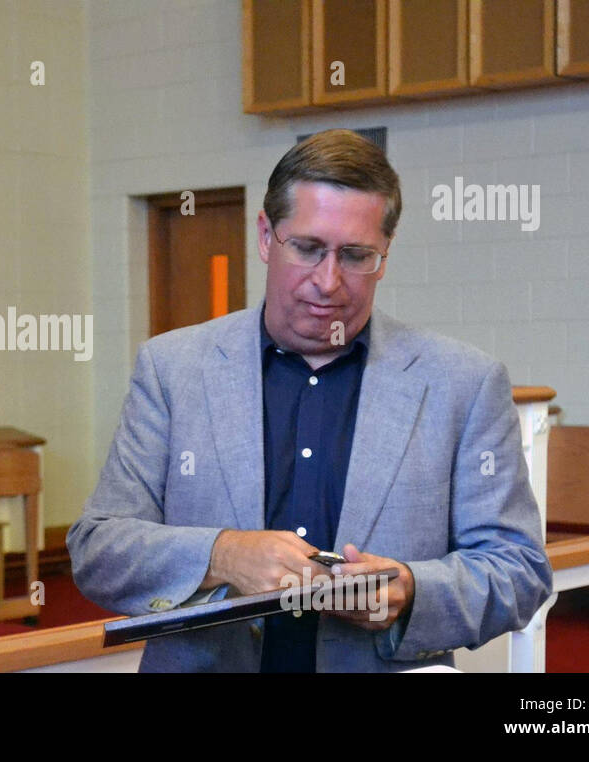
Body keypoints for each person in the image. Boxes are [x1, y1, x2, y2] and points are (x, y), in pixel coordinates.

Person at [68, 129, 552, 672]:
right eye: (307, 248)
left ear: (385, 255)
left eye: (355, 255)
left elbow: (520, 570)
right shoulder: (173, 369)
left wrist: (413, 591)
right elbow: (98, 549)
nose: (328, 282)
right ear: (266, 237)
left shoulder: (463, 383)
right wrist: (222, 556)